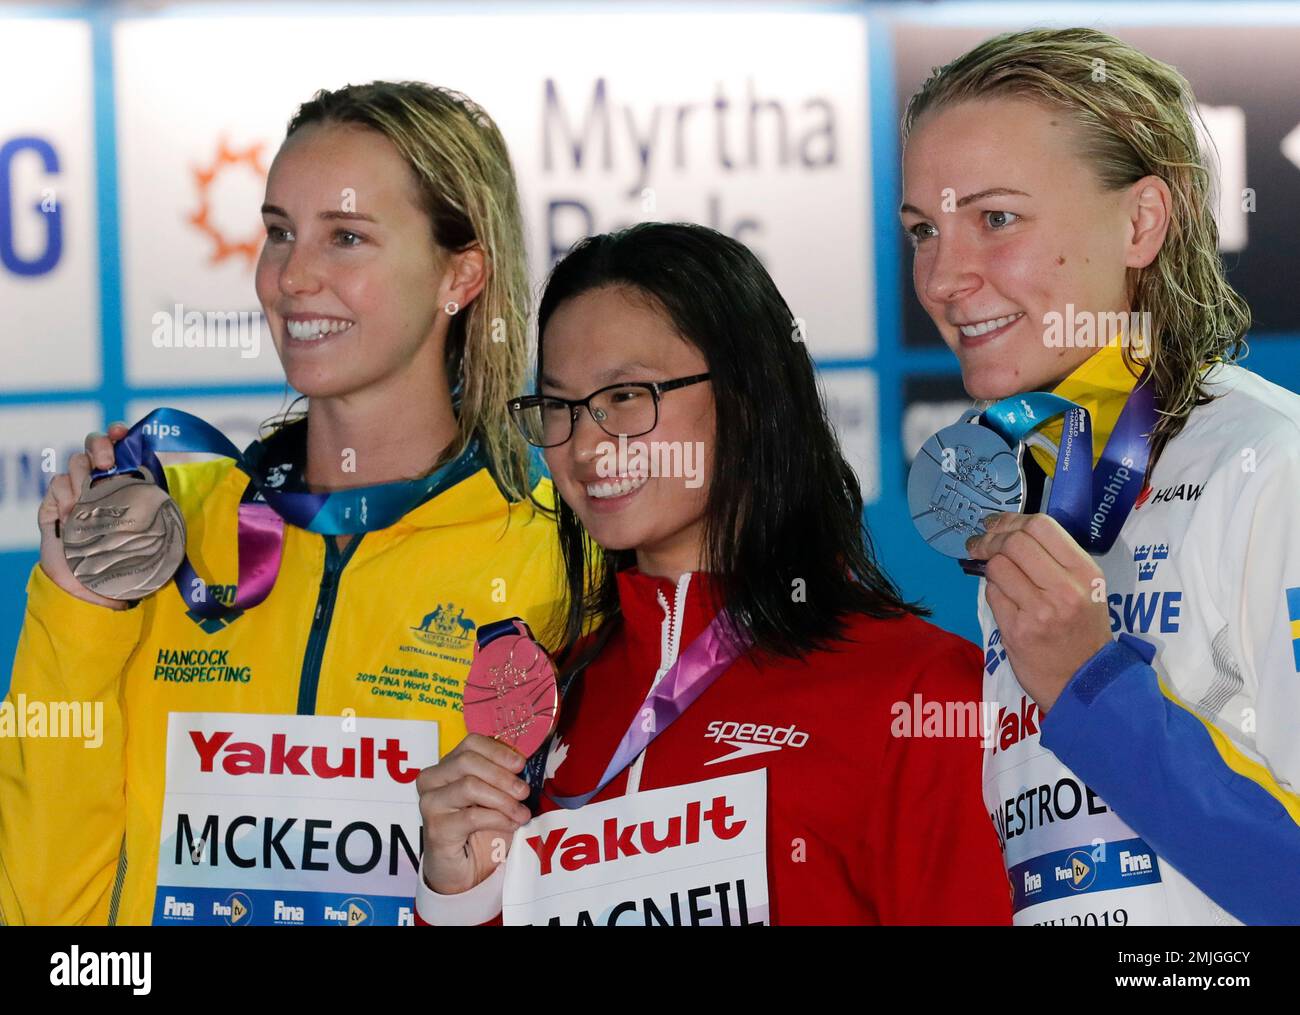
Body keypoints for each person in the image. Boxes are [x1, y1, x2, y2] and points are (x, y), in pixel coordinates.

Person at [0, 82, 563, 925]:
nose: (291, 277)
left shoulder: (554, 553)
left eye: (346, 237)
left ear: (461, 273)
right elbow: (42, 906)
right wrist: (79, 610)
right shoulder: (169, 532)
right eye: (278, 232)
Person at [415, 222, 1013, 925]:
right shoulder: (548, 709)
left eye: (626, 396)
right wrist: (457, 897)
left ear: (747, 398)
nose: (583, 445)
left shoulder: (919, 694)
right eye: (559, 406)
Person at [900, 27, 1300, 924]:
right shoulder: (1045, 496)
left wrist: (1094, 686)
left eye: (995, 219)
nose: (943, 277)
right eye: (925, 229)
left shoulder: (1271, 465)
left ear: (1140, 221)